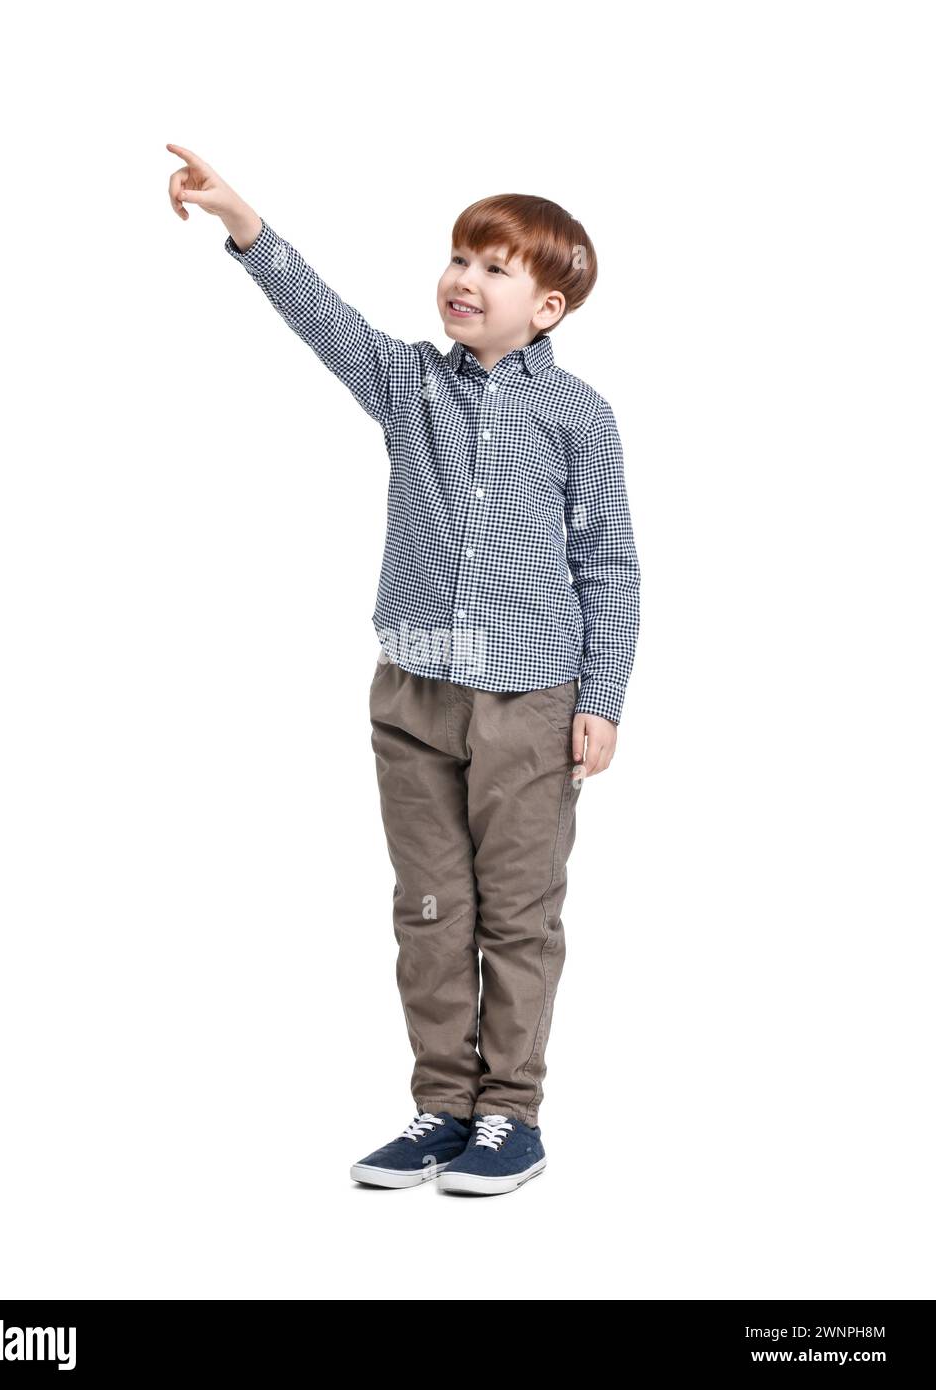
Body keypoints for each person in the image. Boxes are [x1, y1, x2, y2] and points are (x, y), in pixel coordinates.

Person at [166, 144, 641, 1196]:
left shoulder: (580, 419)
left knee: (518, 911)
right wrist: (244, 219)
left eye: (494, 266)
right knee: (428, 905)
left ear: (548, 306)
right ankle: (443, 1105)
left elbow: (609, 562)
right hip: (413, 695)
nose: (462, 277)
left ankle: (511, 1115)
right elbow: (322, 316)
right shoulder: (408, 386)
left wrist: (601, 701)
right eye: (458, 256)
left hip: (529, 702)